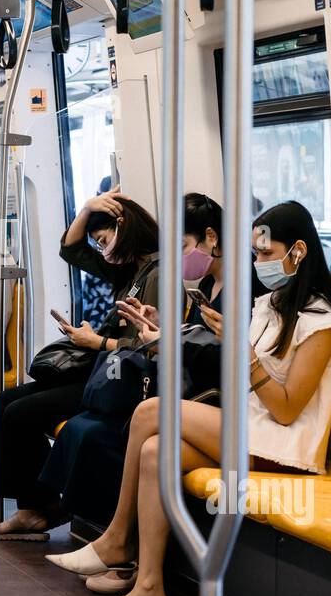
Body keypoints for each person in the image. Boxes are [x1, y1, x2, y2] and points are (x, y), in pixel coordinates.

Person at [46, 200, 331, 596]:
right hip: (251, 427)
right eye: (257, 254)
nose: (258, 263)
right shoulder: (272, 306)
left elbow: (285, 409)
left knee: (151, 412)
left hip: (284, 445)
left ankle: (116, 539)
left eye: (265, 254)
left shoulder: (321, 322)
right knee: (154, 452)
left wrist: (242, 353)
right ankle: (148, 587)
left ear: (298, 252)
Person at [31, 193, 238, 536]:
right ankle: (110, 536)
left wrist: (128, 341)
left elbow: (220, 357)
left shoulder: (174, 278)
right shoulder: (190, 282)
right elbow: (71, 251)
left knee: (102, 430)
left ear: (211, 237)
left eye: (183, 245)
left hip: (194, 391)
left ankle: (114, 538)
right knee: (81, 426)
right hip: (174, 380)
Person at [0, 187, 159, 538]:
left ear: (124, 227)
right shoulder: (128, 270)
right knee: (3, 402)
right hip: (102, 370)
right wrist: (87, 209)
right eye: (98, 242)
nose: (101, 249)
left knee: (19, 413)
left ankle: (42, 508)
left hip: (122, 381)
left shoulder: (157, 274)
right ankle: (33, 507)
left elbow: (148, 345)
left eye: (104, 238)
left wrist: (95, 341)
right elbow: (71, 249)